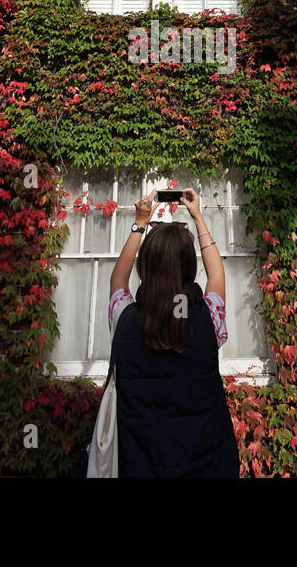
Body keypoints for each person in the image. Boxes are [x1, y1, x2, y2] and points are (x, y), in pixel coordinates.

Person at [105, 187, 240, 477]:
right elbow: (217, 274)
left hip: (140, 466)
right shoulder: (209, 318)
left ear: (144, 267)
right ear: (190, 268)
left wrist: (140, 223)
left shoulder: (124, 319)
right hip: (208, 465)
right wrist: (198, 217)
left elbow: (118, 278)